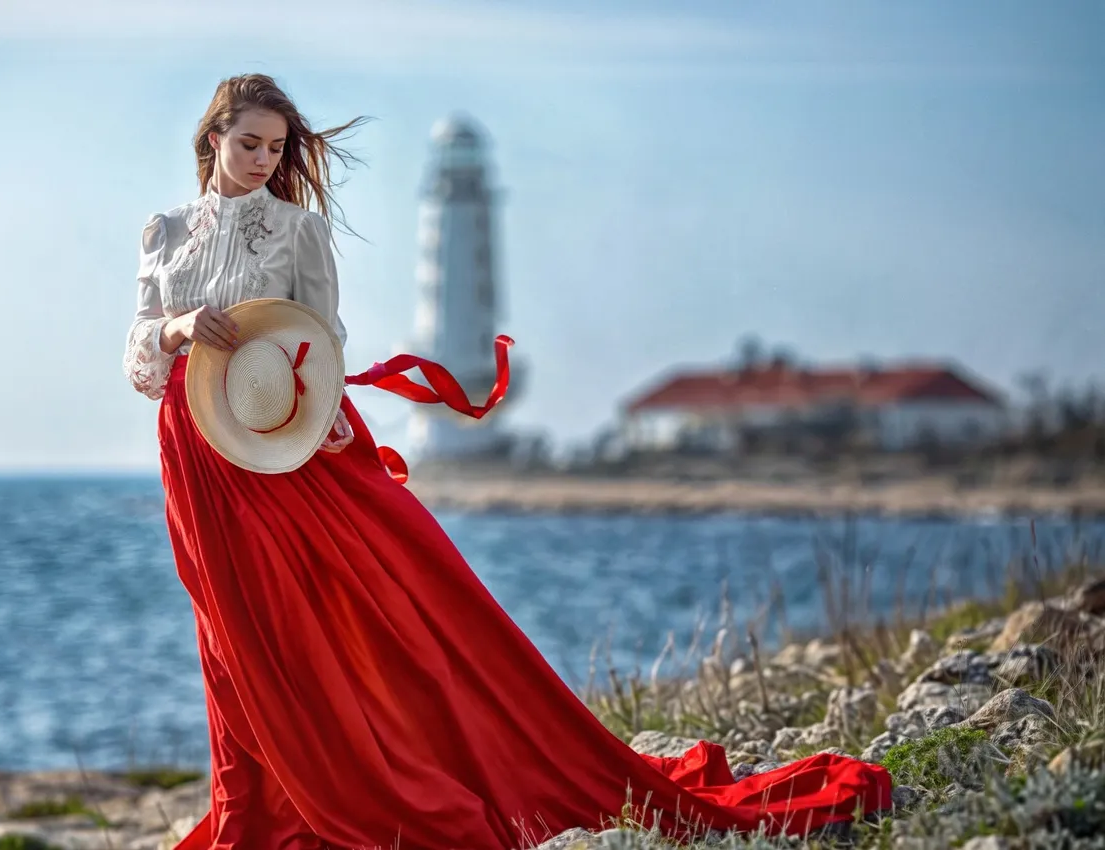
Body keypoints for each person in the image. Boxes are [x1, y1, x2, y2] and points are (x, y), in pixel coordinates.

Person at [124, 73, 891, 850]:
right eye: (249, 143)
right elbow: (139, 352)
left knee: (326, 617)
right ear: (213, 138)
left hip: (283, 442)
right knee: (229, 636)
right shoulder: (165, 231)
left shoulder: (299, 231)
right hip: (194, 447)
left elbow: (323, 342)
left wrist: (300, 418)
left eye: (277, 147)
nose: (262, 159)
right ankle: (261, 801)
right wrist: (178, 326)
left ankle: (354, 783)